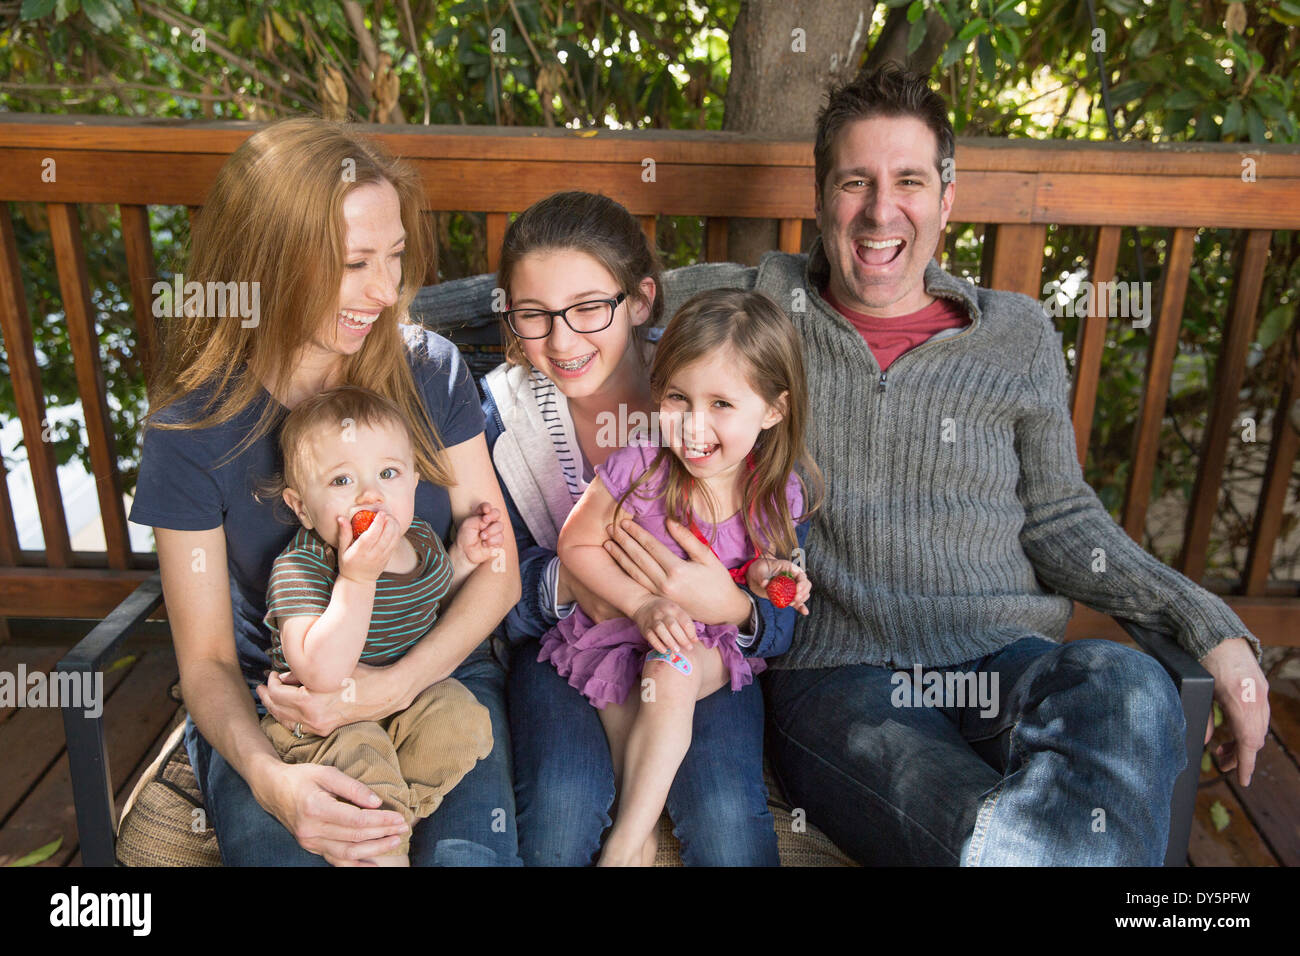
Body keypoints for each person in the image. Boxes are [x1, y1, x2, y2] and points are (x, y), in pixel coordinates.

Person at [415, 66, 1270, 866]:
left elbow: (1064, 521)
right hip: (848, 683)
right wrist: (384, 316)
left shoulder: (1016, 335)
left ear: (947, 197)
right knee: (992, 817)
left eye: (908, 182)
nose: (879, 212)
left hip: (1007, 659)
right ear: (822, 197)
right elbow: (579, 289)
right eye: (855, 182)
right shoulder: (756, 305)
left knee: (1127, 683)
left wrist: (1208, 625)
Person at [130, 117, 522, 866]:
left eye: (396, 257)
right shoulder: (191, 428)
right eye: (355, 264)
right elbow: (208, 661)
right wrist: (272, 780)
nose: (387, 291)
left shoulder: (429, 371)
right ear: (268, 263)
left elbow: (497, 568)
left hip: (436, 669)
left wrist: (390, 687)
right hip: (278, 703)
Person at [431, 190, 809, 865]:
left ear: (638, 300)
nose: (562, 339)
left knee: (725, 815)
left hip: (704, 648)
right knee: (560, 805)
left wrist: (738, 604)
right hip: (571, 646)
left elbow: (780, 589)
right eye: (533, 315)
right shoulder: (499, 420)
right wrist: (587, 587)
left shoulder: (715, 376)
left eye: (587, 308)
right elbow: (488, 579)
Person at [537, 289, 819, 865]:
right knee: (636, 723)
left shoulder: (777, 490)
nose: (693, 426)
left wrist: (774, 580)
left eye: (721, 404)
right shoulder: (640, 464)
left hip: (706, 647)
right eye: (677, 398)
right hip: (619, 636)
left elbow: (769, 577)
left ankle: (621, 846)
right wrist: (642, 605)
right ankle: (636, 832)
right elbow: (575, 543)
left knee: (674, 669)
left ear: (773, 409)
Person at [258, 385, 505, 866]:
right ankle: (385, 851)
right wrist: (357, 578)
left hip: (405, 706)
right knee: (364, 753)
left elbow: (429, 601)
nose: (371, 493)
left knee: (466, 716)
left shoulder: (421, 541)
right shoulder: (302, 568)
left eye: (388, 473)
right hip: (321, 726)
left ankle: (394, 817)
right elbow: (323, 674)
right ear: (301, 507)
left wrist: (463, 558)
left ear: (414, 482)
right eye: (341, 482)